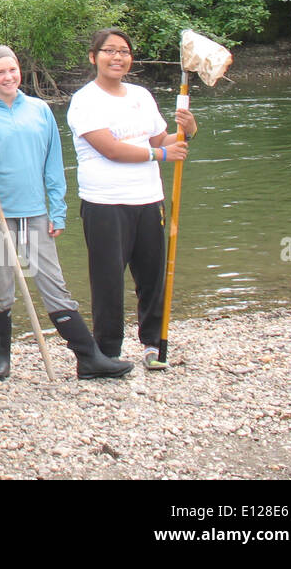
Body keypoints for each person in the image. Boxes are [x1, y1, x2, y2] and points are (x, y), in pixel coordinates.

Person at [0, 47, 132, 381]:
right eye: (0, 72)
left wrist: (58, 209)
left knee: (53, 283)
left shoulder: (40, 110)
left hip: (35, 212)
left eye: (12, 69)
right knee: (0, 285)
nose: (8, 77)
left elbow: (53, 164)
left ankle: (89, 358)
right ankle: (1, 360)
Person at [66, 29, 196, 370]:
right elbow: (110, 149)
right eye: (109, 51)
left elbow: (161, 140)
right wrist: (161, 155)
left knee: (152, 276)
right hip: (105, 201)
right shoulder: (85, 100)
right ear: (93, 57)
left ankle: (154, 343)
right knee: (108, 278)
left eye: (124, 51)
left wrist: (188, 131)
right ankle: (107, 351)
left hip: (149, 198)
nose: (117, 57)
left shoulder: (141, 95)